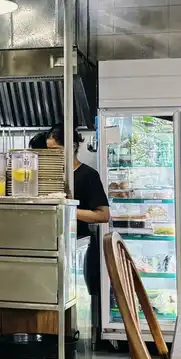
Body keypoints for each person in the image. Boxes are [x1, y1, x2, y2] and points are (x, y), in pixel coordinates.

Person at [45, 123, 110, 299]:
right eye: (49, 151)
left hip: (80, 246)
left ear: (73, 146)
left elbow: (103, 215)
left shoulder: (88, 175)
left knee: (80, 299)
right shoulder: (49, 175)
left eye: (56, 150)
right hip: (52, 245)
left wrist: (66, 209)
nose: (52, 156)